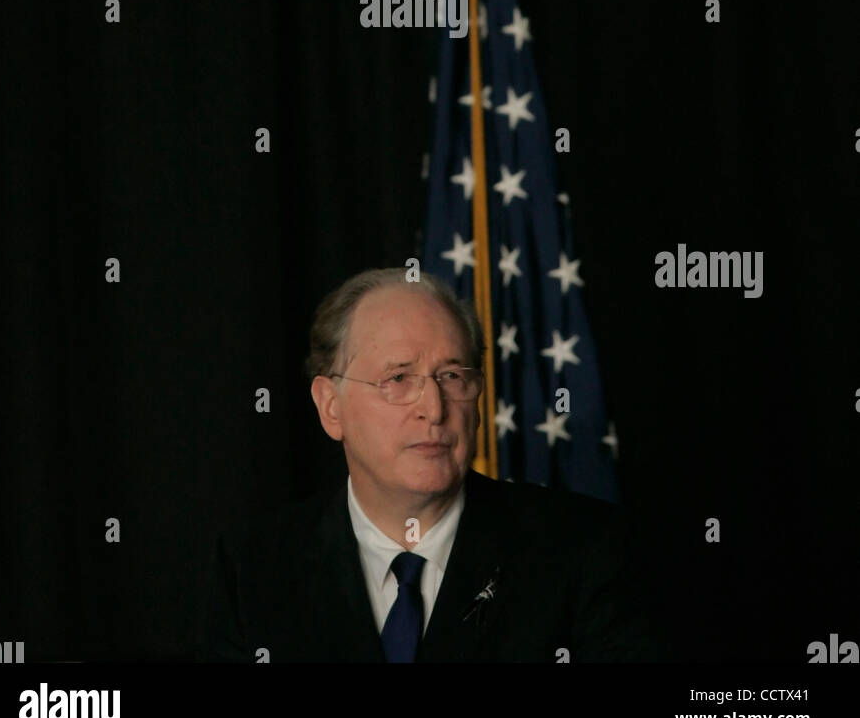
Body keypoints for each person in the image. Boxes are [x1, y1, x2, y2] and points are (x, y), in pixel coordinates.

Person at [196, 267, 665, 662]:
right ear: (330, 406)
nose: (434, 408)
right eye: (398, 378)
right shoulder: (252, 571)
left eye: (452, 376)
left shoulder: (584, 552)